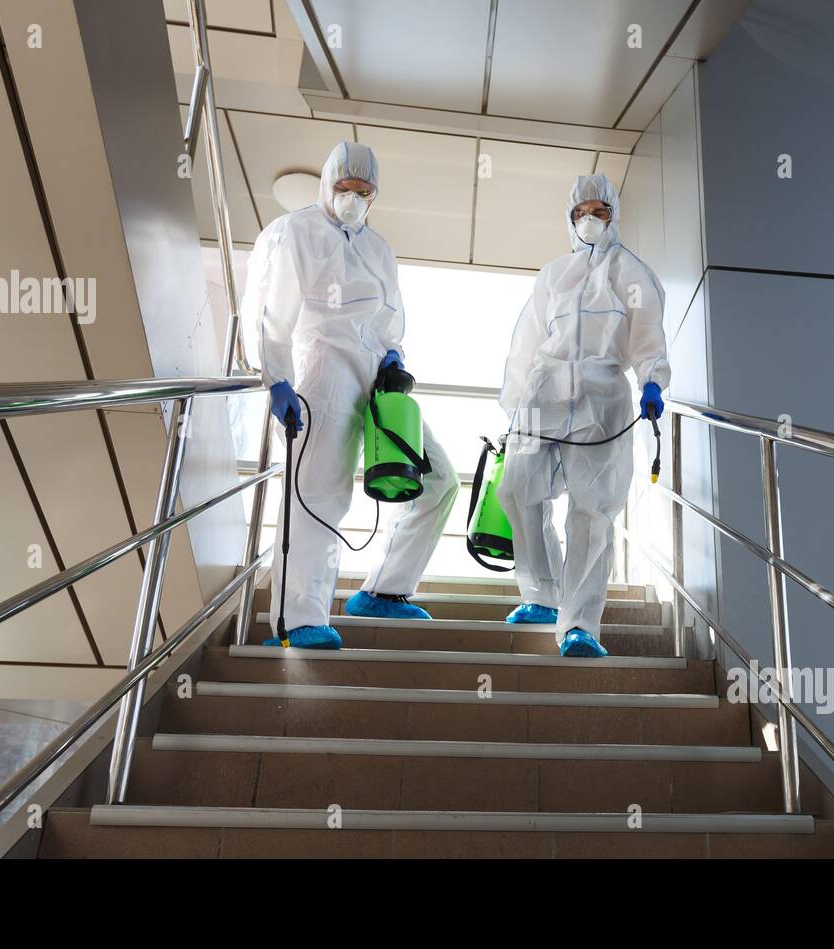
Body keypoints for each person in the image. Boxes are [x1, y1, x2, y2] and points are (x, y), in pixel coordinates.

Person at [240, 142, 458, 649]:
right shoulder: (295, 232)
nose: (353, 197)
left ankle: (385, 589)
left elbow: (390, 317)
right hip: (322, 367)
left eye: (364, 191)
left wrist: (393, 354)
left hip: (376, 380)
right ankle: (298, 621)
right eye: (345, 187)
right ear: (327, 183)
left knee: (439, 478)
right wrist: (276, 378)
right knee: (318, 492)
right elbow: (271, 308)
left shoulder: (379, 248)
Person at [496, 173, 670, 658]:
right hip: (544, 391)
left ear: (613, 215)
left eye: (599, 211)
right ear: (569, 218)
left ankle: (580, 625)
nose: (589, 220)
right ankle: (542, 594)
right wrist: (514, 403)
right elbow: (526, 341)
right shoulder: (553, 275)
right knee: (516, 487)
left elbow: (648, 331)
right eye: (580, 213)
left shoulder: (630, 272)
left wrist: (652, 377)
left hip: (602, 394)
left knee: (592, 513)